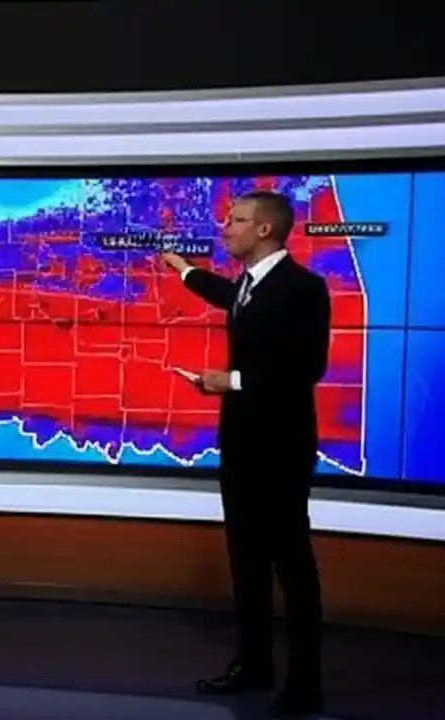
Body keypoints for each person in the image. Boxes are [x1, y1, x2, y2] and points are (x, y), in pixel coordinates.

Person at [160, 189, 329, 717]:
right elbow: (225, 296)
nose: (225, 227)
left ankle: (304, 682)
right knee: (246, 561)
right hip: (241, 446)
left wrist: (229, 380)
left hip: (281, 449)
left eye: (236, 220)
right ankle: (253, 664)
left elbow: (308, 367)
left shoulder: (304, 287)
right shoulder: (247, 286)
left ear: (265, 231)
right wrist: (184, 270)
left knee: (290, 565)